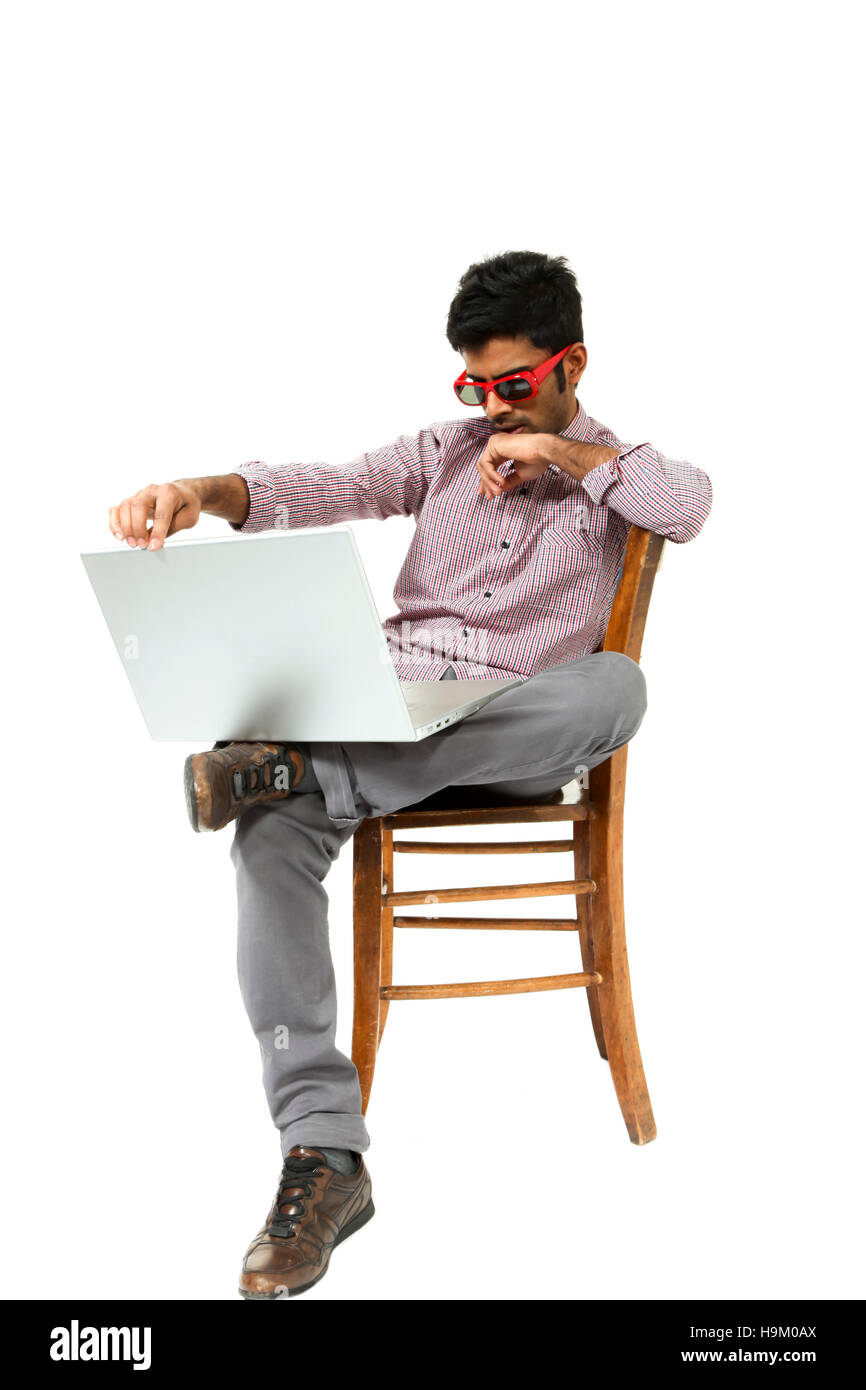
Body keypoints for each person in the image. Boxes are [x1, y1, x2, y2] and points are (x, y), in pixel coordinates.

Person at [108, 250, 712, 1298]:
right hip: (389, 707)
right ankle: (323, 1153)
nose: (489, 408)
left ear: (571, 362)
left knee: (614, 692)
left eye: (512, 385)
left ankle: (309, 767)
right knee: (272, 829)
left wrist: (564, 455)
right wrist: (196, 492)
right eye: (472, 387)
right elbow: (325, 484)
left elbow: (691, 503)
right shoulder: (444, 452)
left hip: (512, 735)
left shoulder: (614, 468)